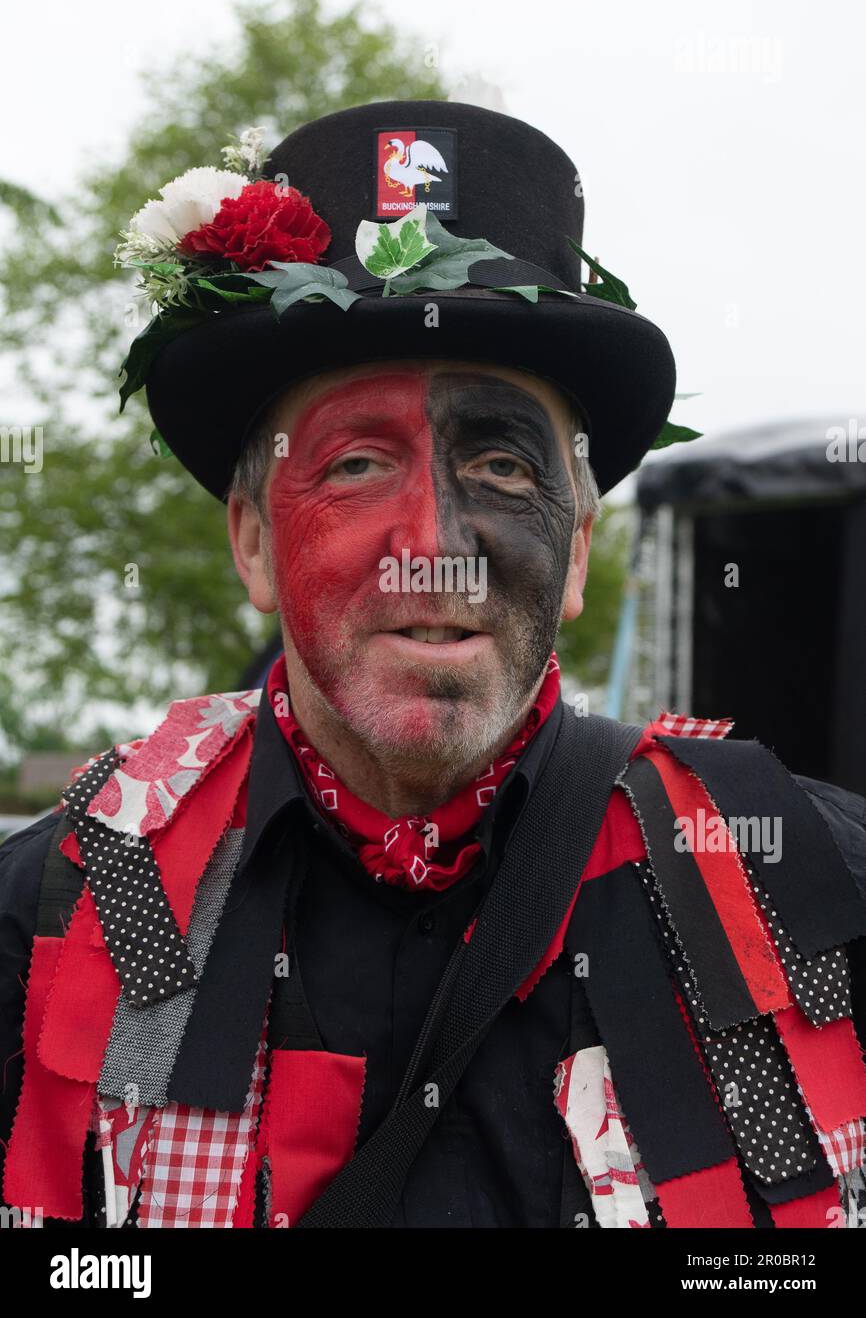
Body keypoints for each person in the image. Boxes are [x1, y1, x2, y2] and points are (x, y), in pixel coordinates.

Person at [2, 100, 866, 1231]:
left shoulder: (810, 884)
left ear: (576, 552)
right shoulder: (53, 911)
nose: (432, 546)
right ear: (254, 540)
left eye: (502, 464)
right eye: (357, 462)